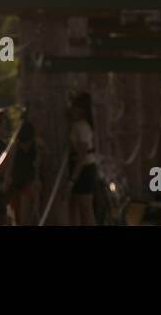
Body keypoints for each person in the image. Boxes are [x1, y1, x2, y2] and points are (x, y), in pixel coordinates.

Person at [67, 91, 98, 225]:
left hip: (84, 169)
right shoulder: (76, 125)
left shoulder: (82, 127)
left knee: (86, 208)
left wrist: (72, 179)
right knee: (74, 208)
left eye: (76, 107)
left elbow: (82, 155)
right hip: (79, 168)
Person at [7, 115, 41, 226]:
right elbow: (9, 166)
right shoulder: (14, 147)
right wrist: (7, 181)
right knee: (17, 216)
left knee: (26, 214)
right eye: (23, 143)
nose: (25, 146)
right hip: (16, 183)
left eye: (27, 143)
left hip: (29, 184)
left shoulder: (36, 147)